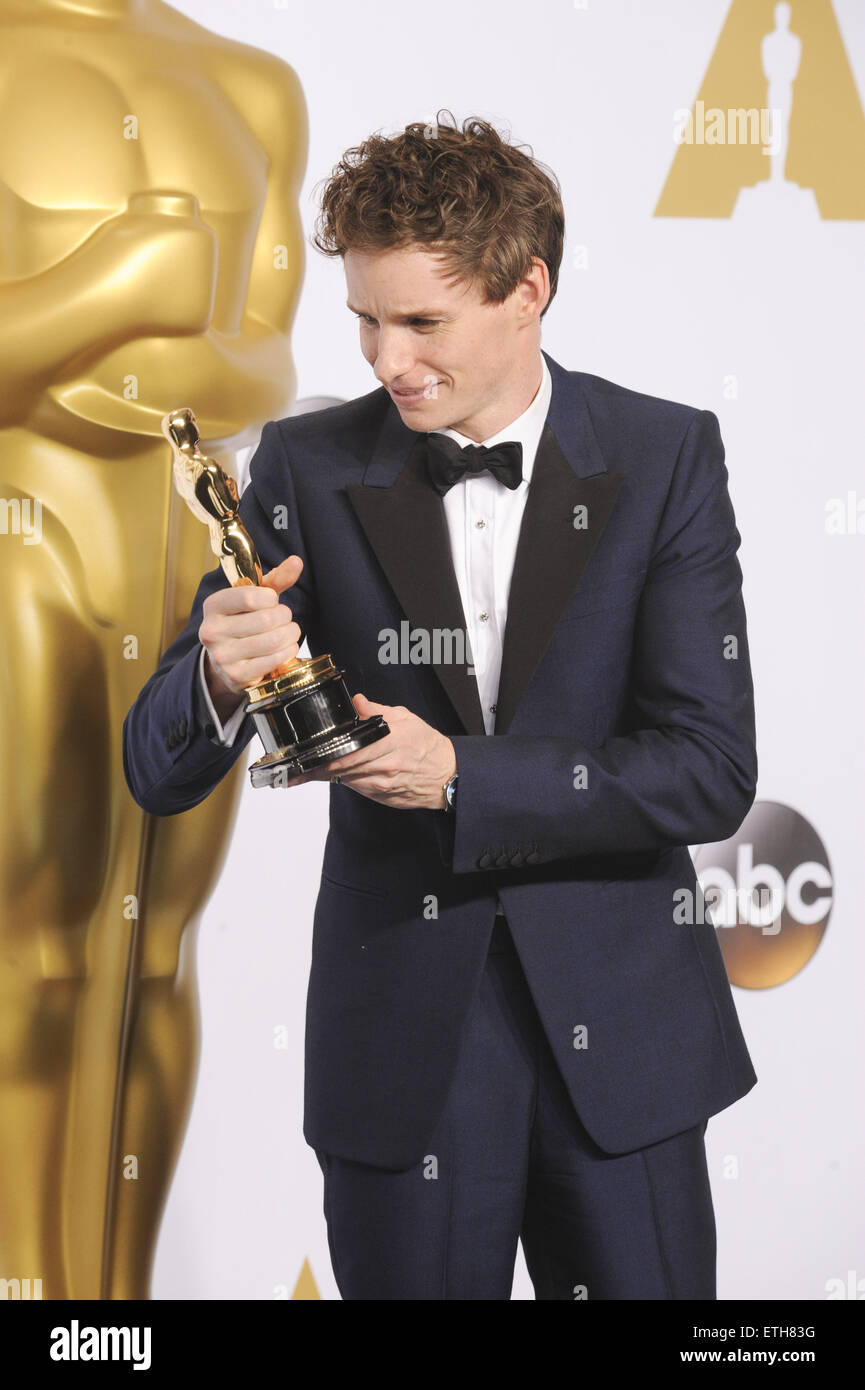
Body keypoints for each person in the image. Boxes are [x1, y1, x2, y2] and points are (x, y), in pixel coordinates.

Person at [122, 111, 758, 1300]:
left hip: (625, 1048)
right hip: (399, 1050)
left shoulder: (666, 455)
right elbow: (154, 769)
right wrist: (216, 666)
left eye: (422, 321)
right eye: (364, 318)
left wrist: (462, 778)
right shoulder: (306, 469)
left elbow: (709, 767)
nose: (384, 359)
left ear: (530, 290)